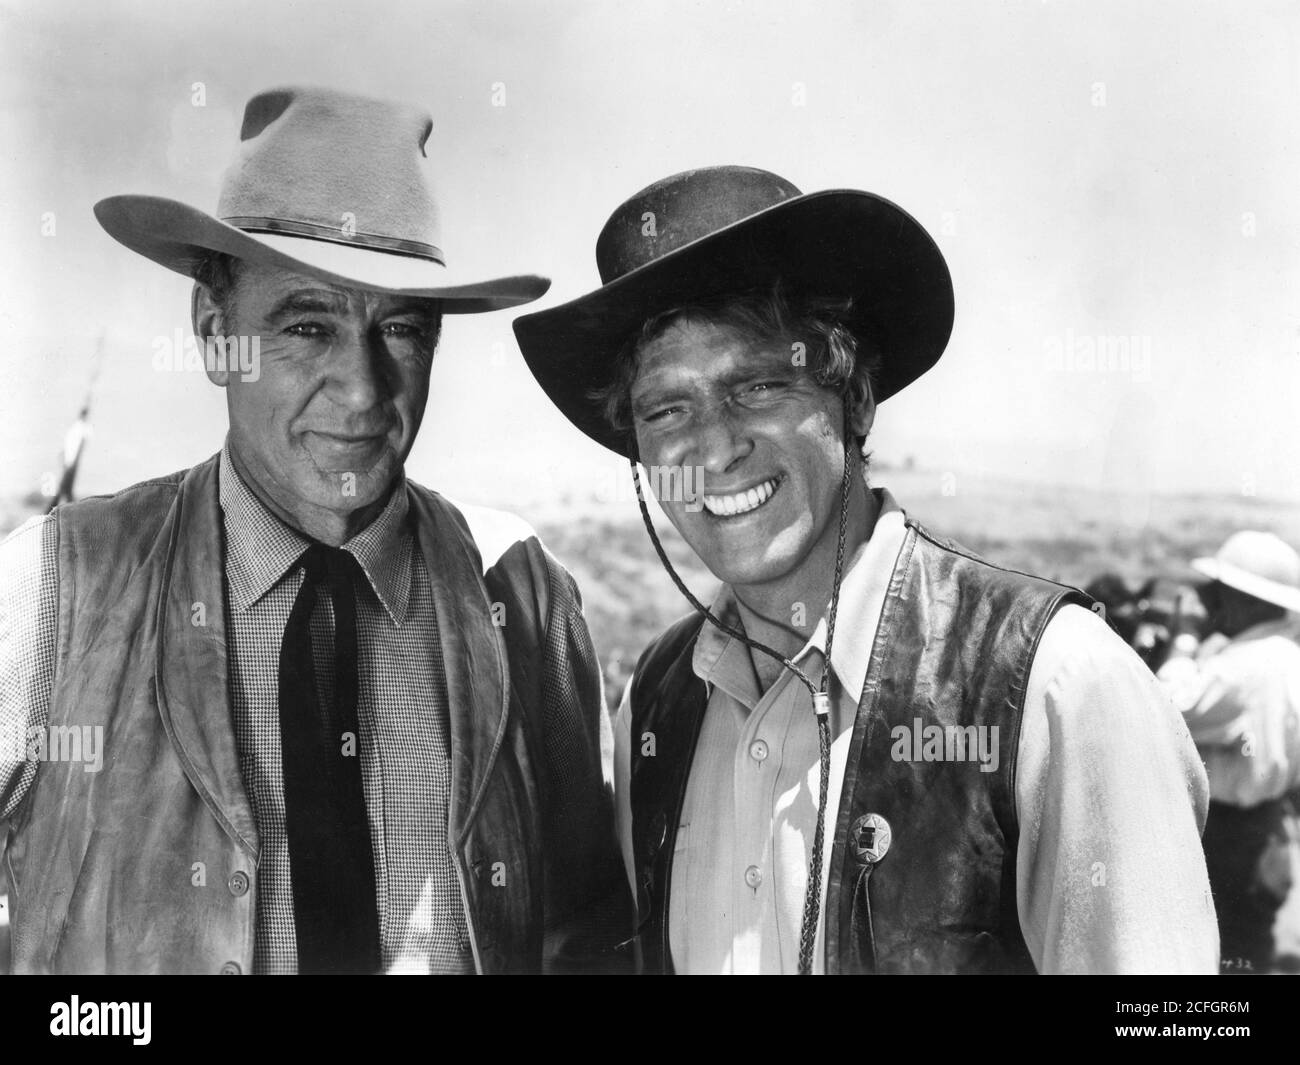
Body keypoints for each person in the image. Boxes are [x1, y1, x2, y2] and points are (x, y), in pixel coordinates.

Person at [513, 165, 1218, 973]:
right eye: (667, 409)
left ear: (855, 400)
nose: (713, 447)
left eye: (760, 385)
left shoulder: (1058, 686)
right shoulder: (658, 701)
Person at [0, 86, 630, 974]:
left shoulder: (517, 593)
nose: (364, 390)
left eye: (401, 329)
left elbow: (591, 931)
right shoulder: (54, 586)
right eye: (307, 325)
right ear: (215, 333)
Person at [1158, 531, 1300, 973]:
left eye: (1221, 594)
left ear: (1247, 601)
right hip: (1268, 831)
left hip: (1226, 837)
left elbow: (1166, 708)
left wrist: (1183, 640)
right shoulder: (1287, 658)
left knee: (1206, 954)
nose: (1211, 603)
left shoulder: (1243, 668)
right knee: (1246, 952)